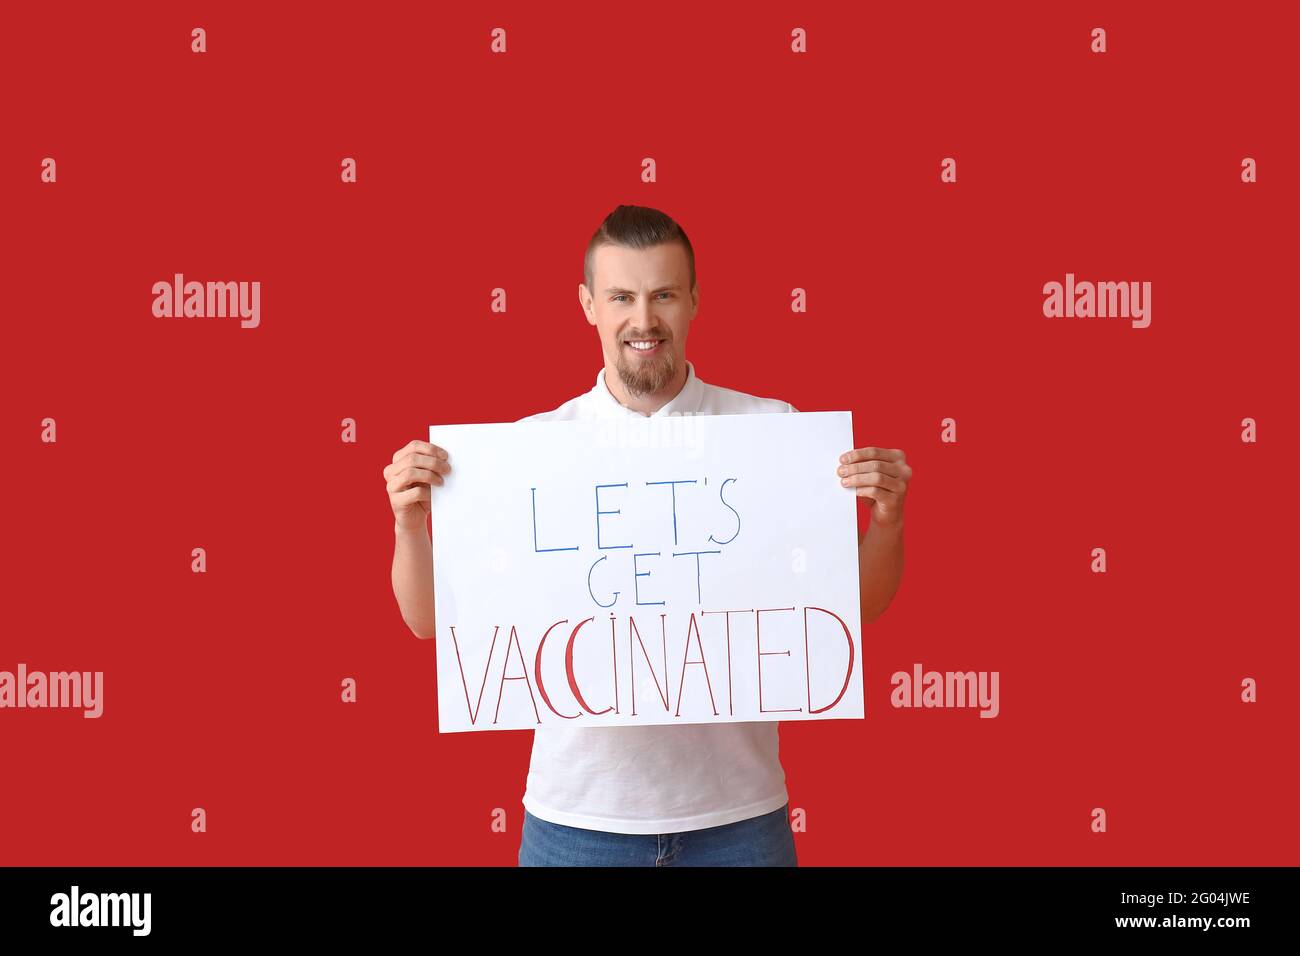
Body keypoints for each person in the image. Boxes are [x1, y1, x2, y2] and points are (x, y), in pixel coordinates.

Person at [385, 205, 911, 866]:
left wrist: (886, 525)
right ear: (588, 306)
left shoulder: (771, 433)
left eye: (663, 294)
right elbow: (428, 622)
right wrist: (409, 524)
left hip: (739, 820)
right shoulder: (530, 455)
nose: (644, 319)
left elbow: (851, 611)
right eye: (622, 297)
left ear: (693, 300)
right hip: (575, 824)